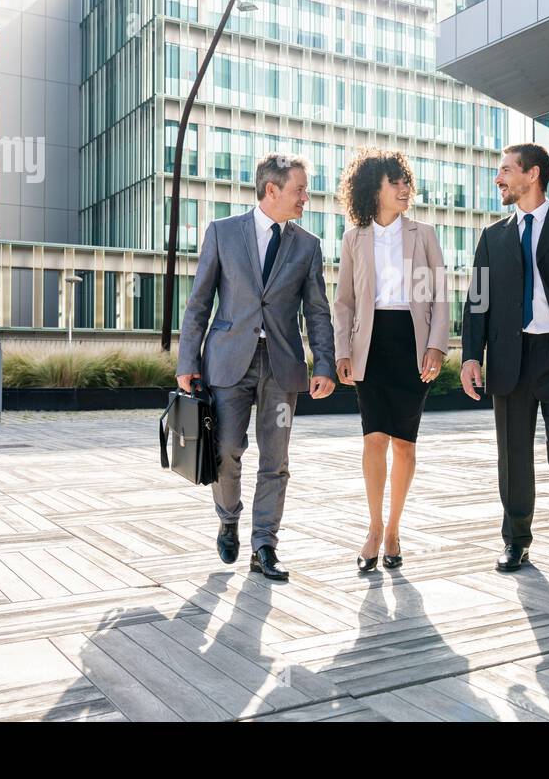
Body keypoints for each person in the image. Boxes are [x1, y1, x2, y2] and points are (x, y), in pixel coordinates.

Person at [175, 153, 336, 581]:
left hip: (281, 368)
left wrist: (324, 364)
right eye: (300, 189)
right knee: (226, 448)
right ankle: (228, 517)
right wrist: (187, 359)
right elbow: (199, 302)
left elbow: (317, 312)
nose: (307, 197)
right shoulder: (223, 233)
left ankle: (265, 543)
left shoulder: (308, 245)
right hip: (228, 364)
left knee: (276, 458)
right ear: (272, 190)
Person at [460, 143, 549, 591]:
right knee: (513, 457)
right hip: (508, 358)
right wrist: (470, 355)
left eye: (505, 170)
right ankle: (516, 540)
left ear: (532, 174)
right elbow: (477, 300)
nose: (498, 179)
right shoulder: (492, 236)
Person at [333, 149, 450, 572]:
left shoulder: (424, 234)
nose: (404, 189)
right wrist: (342, 352)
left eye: (406, 182)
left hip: (412, 343)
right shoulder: (353, 238)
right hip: (371, 344)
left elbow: (440, 294)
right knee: (373, 439)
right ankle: (374, 528)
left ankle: (395, 530)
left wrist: (437, 345)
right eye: (394, 182)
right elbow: (343, 302)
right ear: (373, 189)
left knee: (404, 442)